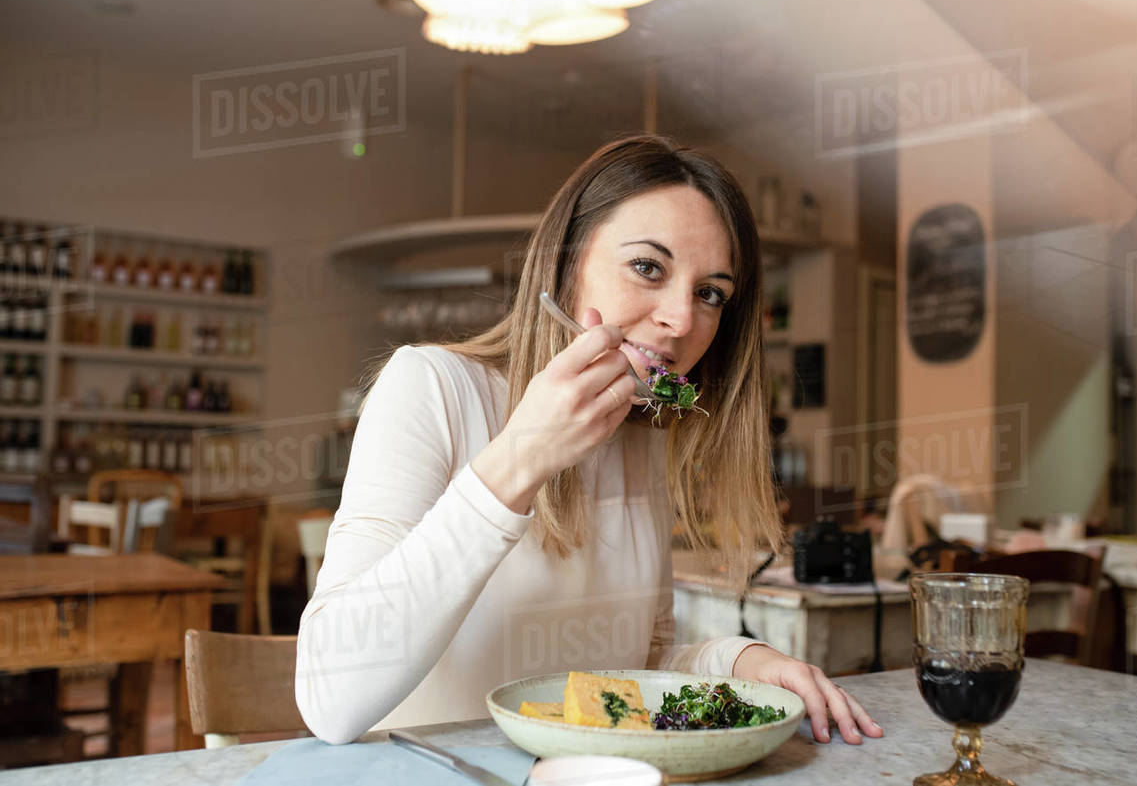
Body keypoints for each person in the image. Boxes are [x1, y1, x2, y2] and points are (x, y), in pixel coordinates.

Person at [295, 134, 883, 747]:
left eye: (710, 293)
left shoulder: (644, 437)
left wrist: (740, 663)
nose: (682, 319)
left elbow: (637, 666)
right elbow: (331, 700)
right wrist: (523, 455)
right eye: (648, 268)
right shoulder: (430, 386)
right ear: (565, 263)